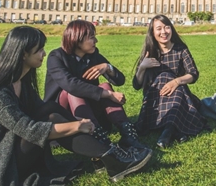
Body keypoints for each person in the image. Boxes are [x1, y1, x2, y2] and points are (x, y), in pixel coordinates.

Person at [0, 27, 152, 186]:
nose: (44, 54)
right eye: (39, 50)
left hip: (12, 147)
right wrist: (76, 125)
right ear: (23, 55)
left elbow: (41, 112)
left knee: (50, 108)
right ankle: (112, 157)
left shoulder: (22, 82)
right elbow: (30, 130)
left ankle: (108, 156)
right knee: (53, 114)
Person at [44, 20, 146, 150]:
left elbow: (120, 80)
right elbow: (71, 85)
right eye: (92, 37)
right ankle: (98, 137)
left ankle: (128, 134)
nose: (96, 41)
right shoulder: (56, 56)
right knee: (72, 92)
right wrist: (108, 94)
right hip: (62, 114)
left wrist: (107, 67)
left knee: (104, 85)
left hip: (89, 110)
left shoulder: (92, 56)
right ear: (77, 38)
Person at [133, 14, 207, 148]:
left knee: (169, 78)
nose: (163, 32)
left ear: (171, 29)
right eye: (159, 28)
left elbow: (193, 74)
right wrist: (142, 67)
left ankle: (167, 132)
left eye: (167, 27)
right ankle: (175, 132)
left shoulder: (180, 49)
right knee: (164, 76)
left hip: (179, 97)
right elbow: (136, 85)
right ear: (152, 32)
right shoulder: (149, 52)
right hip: (156, 99)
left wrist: (176, 82)